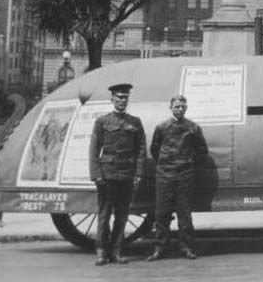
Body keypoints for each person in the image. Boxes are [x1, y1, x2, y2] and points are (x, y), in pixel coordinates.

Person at [89, 83, 146, 265]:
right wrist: (96, 174)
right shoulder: (102, 122)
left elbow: (141, 149)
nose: (122, 100)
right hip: (107, 175)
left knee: (122, 216)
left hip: (127, 175)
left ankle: (116, 251)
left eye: (125, 97)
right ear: (111, 99)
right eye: (119, 97)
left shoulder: (135, 122)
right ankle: (101, 251)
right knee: (104, 215)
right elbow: (94, 150)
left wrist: (138, 173)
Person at [146, 95, 208, 261]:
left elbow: (202, 151)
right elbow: (155, 149)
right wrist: (166, 164)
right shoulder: (162, 127)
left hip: (185, 175)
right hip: (165, 175)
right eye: (177, 106)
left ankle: (186, 247)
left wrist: (189, 165)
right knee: (161, 213)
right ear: (171, 107)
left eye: (182, 106)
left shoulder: (193, 128)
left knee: (185, 213)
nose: (180, 109)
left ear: (186, 108)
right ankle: (160, 248)